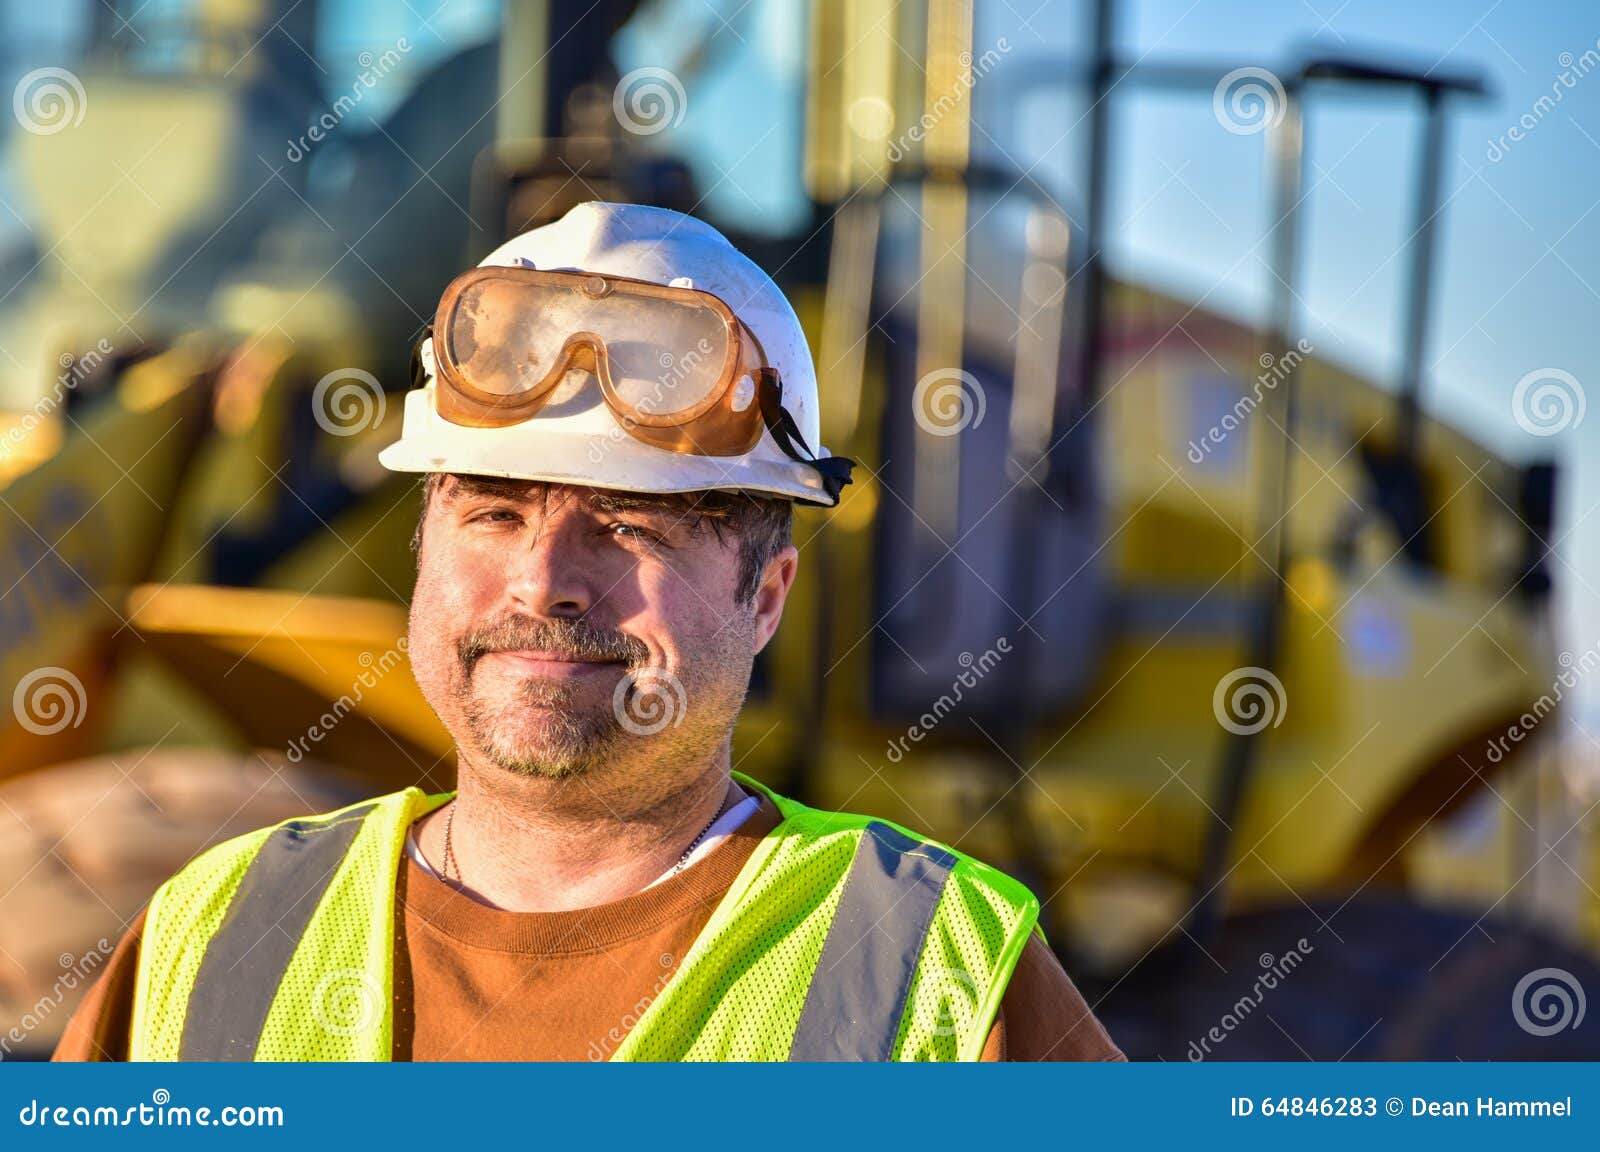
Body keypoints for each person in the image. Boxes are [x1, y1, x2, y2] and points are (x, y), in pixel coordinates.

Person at [56, 201, 1125, 1062]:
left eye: (630, 527)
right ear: (422, 549)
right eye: (493, 512)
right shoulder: (211, 934)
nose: (545, 583)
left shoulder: (936, 973)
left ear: (766, 596)